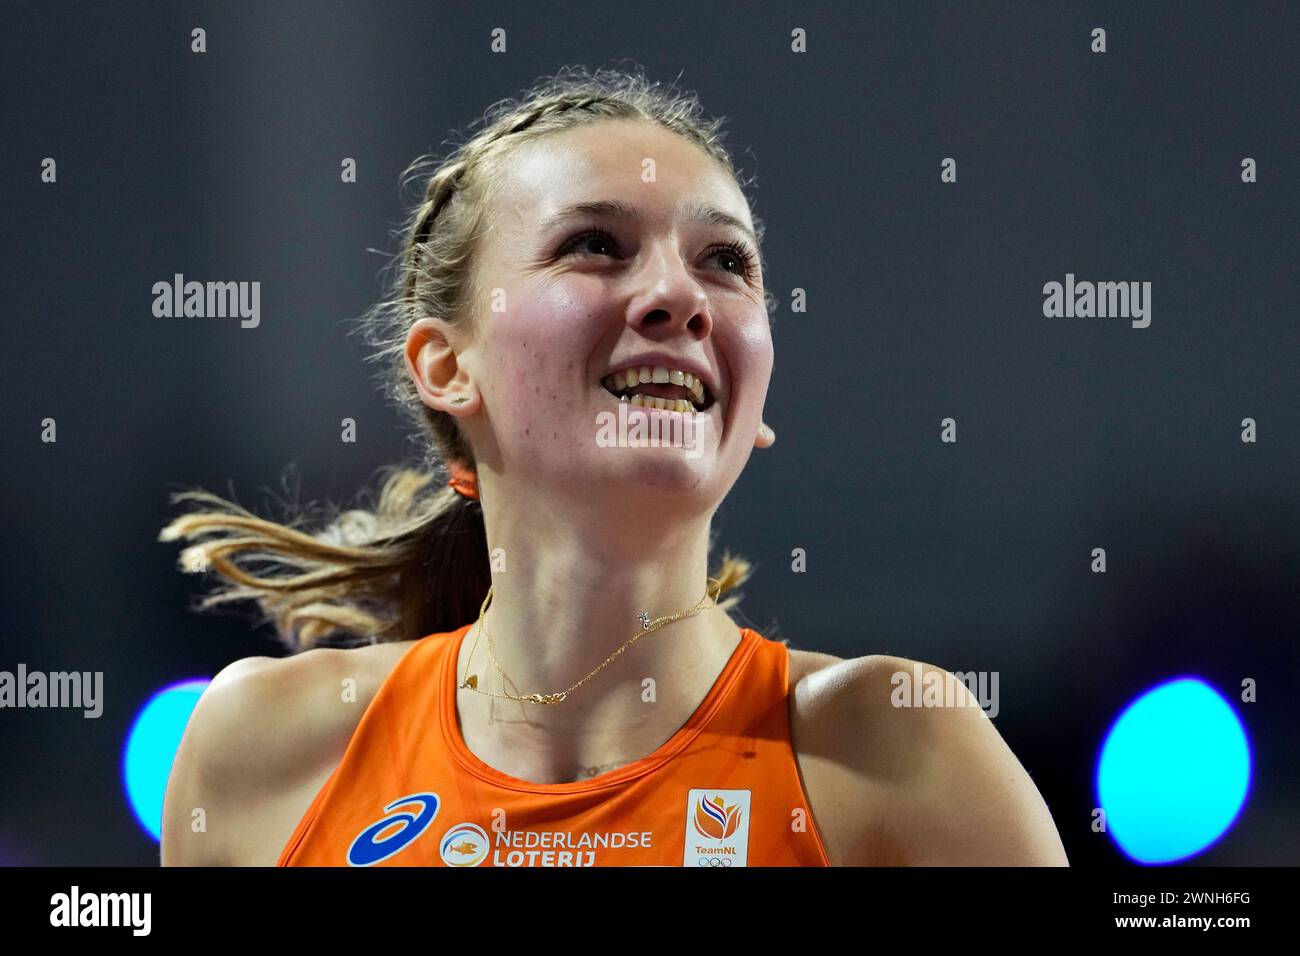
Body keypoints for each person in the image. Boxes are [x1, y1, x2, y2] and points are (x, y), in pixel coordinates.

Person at [158, 65, 1068, 867]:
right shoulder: (265, 754)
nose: (680, 295)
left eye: (724, 262)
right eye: (594, 244)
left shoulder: (891, 752)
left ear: (755, 410)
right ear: (446, 366)